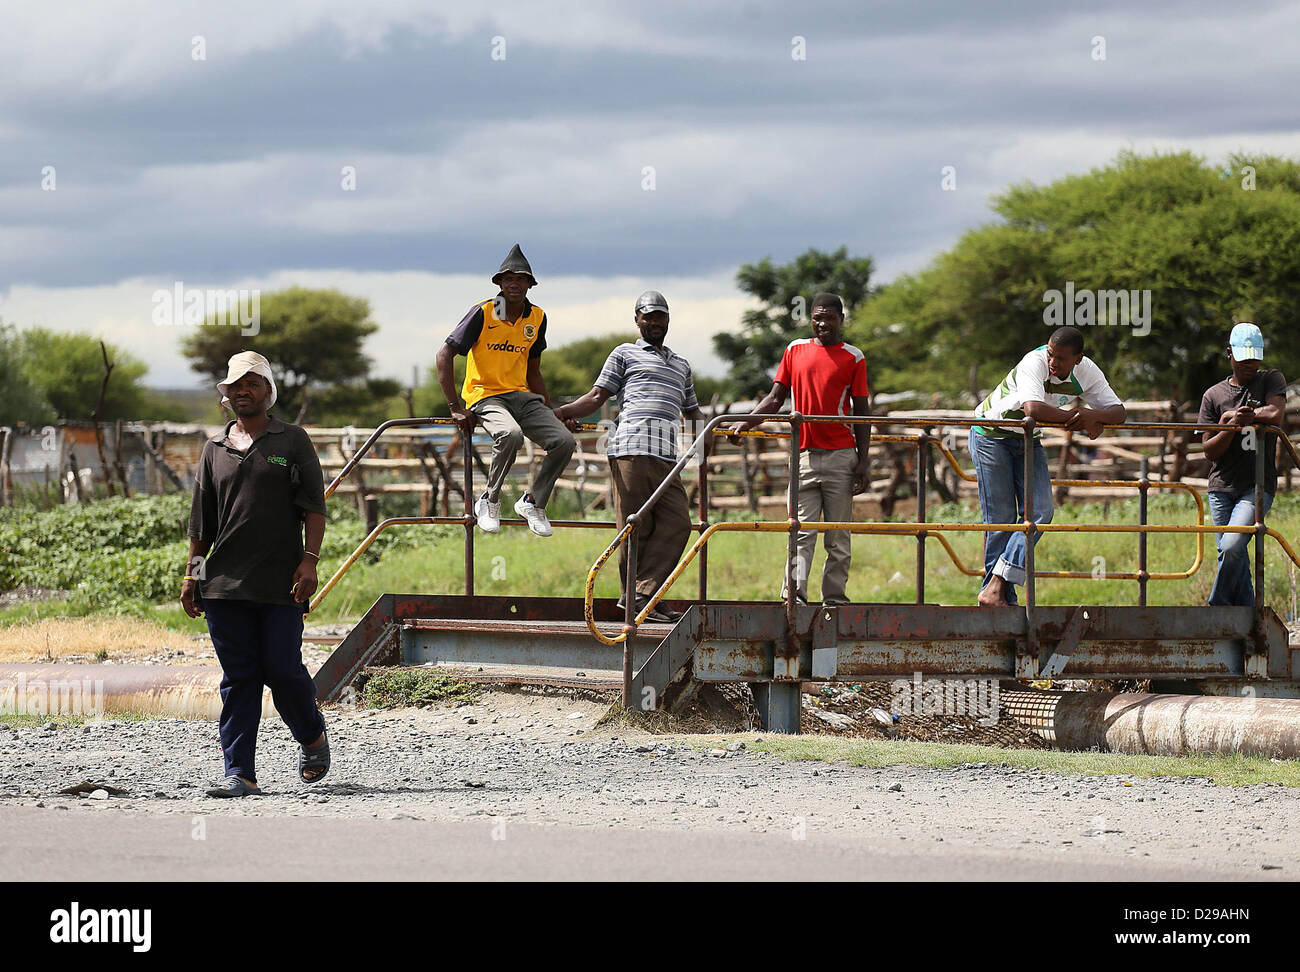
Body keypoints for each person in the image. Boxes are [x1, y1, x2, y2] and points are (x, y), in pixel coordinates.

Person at [183, 351, 330, 797]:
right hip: (223, 585)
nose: (242, 391)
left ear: (268, 391)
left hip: (281, 582)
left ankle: (312, 735)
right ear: (225, 397)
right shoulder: (215, 449)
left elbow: (314, 507)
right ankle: (240, 773)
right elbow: (200, 523)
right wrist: (193, 575)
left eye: (251, 384)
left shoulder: (292, 441)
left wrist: (310, 560)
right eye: (234, 386)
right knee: (240, 677)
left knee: (283, 670)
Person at [554, 291, 706, 622]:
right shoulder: (624, 354)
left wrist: (707, 445)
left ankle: (645, 593)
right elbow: (597, 395)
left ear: (668, 320)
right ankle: (637, 597)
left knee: (678, 523)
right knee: (636, 525)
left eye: (659, 316)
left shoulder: (681, 365)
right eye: (647, 316)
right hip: (631, 449)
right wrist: (561, 412)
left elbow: (693, 412)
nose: (653, 322)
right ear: (637, 320)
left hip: (668, 457)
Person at [729, 293, 871, 606]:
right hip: (803, 455)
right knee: (800, 530)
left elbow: (862, 410)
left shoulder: (853, 357)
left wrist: (864, 460)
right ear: (811, 320)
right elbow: (775, 398)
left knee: (838, 535)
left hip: (841, 455)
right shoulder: (795, 350)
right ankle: (793, 595)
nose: (824, 324)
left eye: (830, 318)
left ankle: (834, 598)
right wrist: (746, 423)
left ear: (841, 320)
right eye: (818, 318)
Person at [970, 326, 1126, 607]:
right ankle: (1001, 600)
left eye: (1061, 359)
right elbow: (1034, 410)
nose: (1053, 362)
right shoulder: (1035, 361)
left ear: (1078, 359)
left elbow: (1119, 412)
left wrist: (1093, 415)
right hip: (992, 433)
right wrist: (1080, 418)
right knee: (1001, 520)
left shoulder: (1087, 371)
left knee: (1041, 512)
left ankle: (995, 588)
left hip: (1028, 439)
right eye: (1051, 354)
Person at [436, 243, 577, 537]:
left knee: (564, 441)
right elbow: (444, 355)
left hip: (523, 397)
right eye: (508, 278)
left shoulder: (536, 317)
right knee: (509, 434)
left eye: (521, 278)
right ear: (499, 283)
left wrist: (551, 412)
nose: (514, 283)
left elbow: (534, 370)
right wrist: (454, 408)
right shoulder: (485, 312)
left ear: (529, 284)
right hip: (485, 395)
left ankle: (533, 503)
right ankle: (489, 499)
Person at [1199, 322, 1288, 606]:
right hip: (1222, 486)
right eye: (1243, 357)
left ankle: (1216, 608)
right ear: (1229, 354)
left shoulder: (1270, 379)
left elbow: (1275, 413)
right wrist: (1228, 425)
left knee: (1231, 545)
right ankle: (1250, 618)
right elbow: (1208, 451)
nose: (1250, 363)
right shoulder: (1213, 395)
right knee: (1234, 555)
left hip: (1257, 485)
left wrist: (1250, 415)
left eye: (1255, 357)